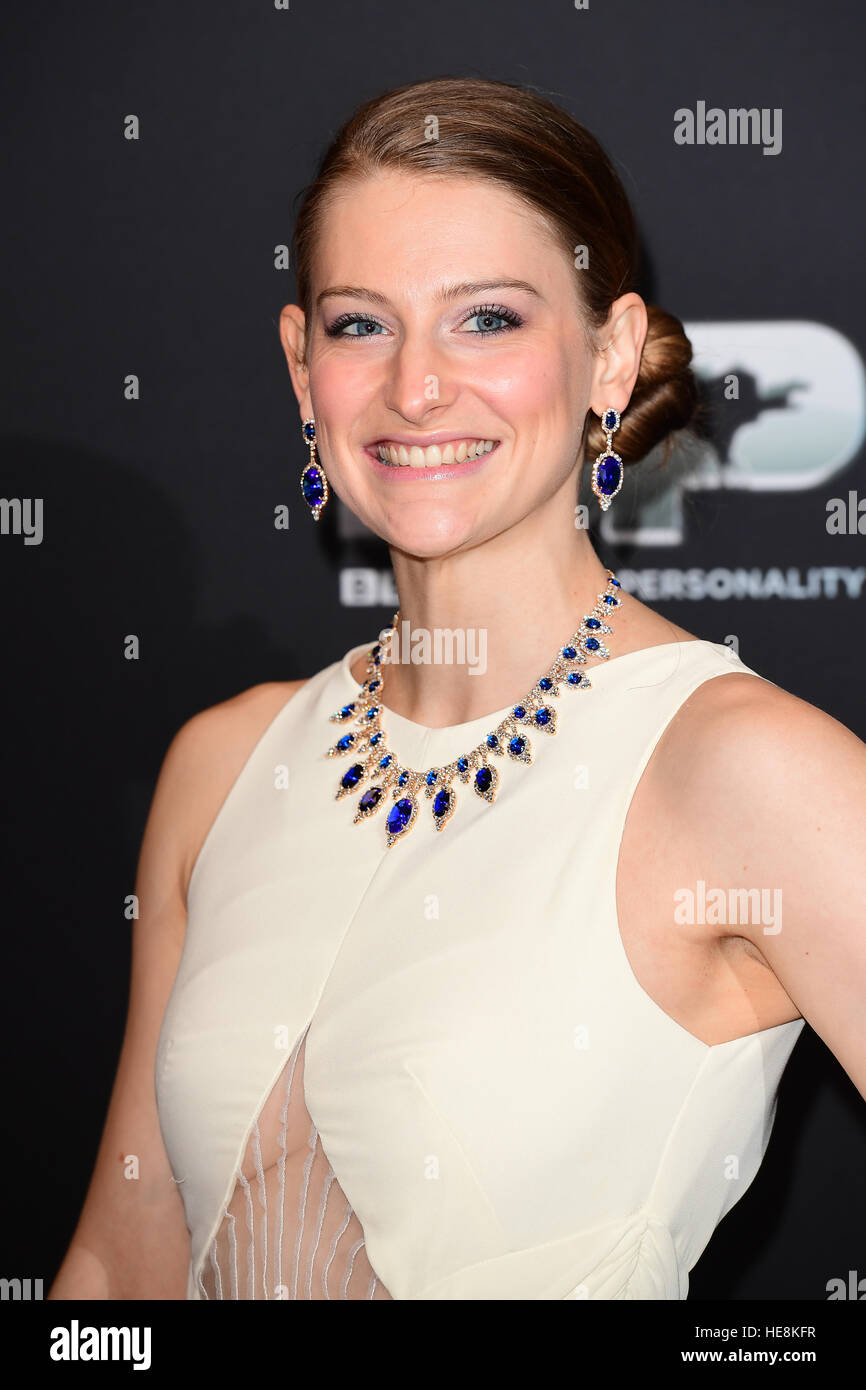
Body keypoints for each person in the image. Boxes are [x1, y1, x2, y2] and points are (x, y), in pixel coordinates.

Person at [49, 76, 866, 1302]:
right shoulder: (222, 762)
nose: (415, 387)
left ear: (608, 353)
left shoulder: (743, 770)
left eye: (485, 319)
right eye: (360, 325)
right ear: (298, 368)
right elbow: (123, 1261)